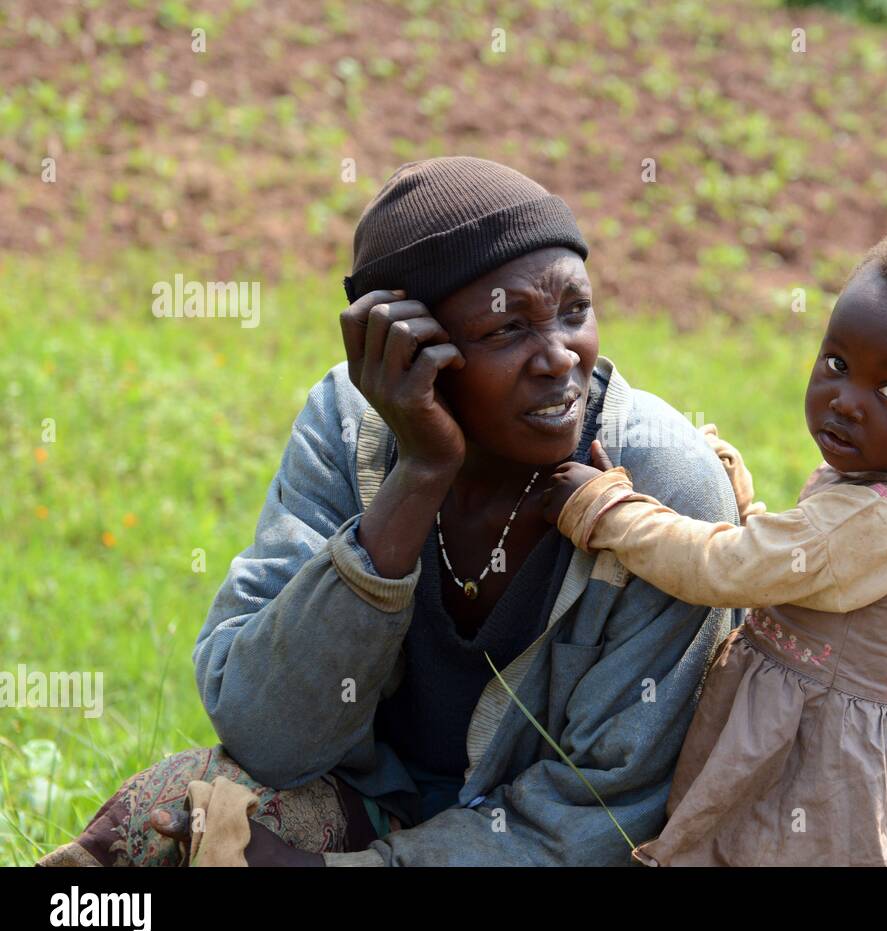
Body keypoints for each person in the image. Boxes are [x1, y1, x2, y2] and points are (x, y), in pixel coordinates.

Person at [36, 157, 739, 867]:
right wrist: (420, 475)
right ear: (408, 349)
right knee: (163, 815)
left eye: (574, 312)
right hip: (376, 804)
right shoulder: (348, 423)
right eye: (507, 330)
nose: (560, 357)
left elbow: (607, 816)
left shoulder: (667, 487)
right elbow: (263, 731)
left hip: (554, 855)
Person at [540, 228, 887, 866]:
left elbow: (725, 570)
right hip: (858, 731)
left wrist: (607, 511)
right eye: (837, 364)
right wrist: (744, 507)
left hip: (825, 757)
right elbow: (811, 572)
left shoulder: (879, 518)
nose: (847, 401)